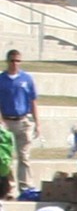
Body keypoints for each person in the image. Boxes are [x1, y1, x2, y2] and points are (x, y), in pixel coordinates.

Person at [0, 50, 40, 191]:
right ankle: (9, 188)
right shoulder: (1, 79)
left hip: (23, 121)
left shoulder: (26, 79)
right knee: (6, 157)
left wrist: (37, 123)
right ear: (7, 61)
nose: (15, 63)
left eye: (17, 61)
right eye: (12, 60)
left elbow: (33, 101)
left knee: (24, 156)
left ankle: (25, 187)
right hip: (6, 121)